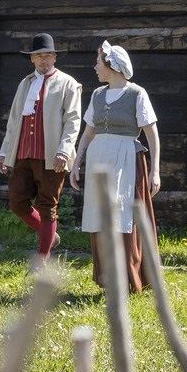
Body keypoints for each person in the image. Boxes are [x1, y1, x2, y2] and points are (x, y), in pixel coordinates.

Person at [70, 41, 160, 293]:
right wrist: (76, 164)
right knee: (100, 216)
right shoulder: (98, 95)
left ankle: (131, 277)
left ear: (112, 65)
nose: (95, 67)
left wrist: (156, 171)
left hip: (128, 160)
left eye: (98, 62)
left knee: (125, 216)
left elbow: (151, 135)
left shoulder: (136, 94)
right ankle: (107, 277)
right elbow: (88, 133)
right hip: (99, 161)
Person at [0, 34, 82, 265]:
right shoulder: (25, 84)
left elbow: (73, 120)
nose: (44, 60)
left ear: (54, 57)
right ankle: (50, 235)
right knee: (17, 202)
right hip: (23, 152)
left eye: (48, 55)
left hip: (51, 155)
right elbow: (14, 120)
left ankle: (42, 259)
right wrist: (5, 152)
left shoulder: (68, 83)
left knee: (47, 206)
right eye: (39, 56)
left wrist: (64, 151)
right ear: (32, 59)